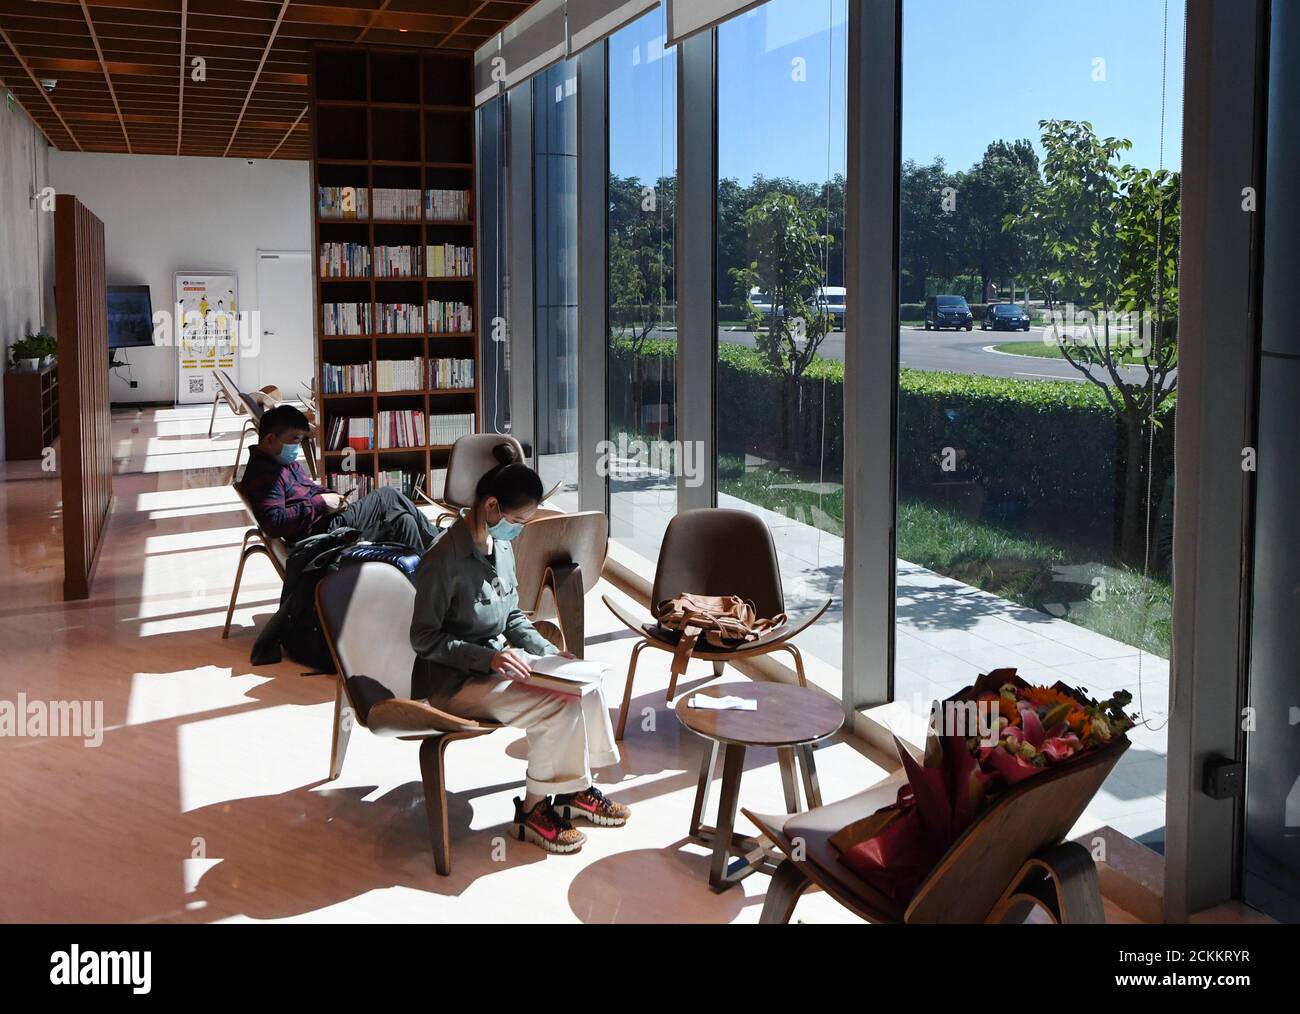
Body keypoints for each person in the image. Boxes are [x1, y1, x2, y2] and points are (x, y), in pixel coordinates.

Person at [410, 443, 628, 855]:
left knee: (584, 687)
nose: (520, 530)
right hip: (455, 682)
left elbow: (512, 616)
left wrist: (549, 653)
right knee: (557, 706)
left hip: (499, 666)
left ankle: (574, 791)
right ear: (491, 506)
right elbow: (423, 638)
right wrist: (488, 657)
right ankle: (530, 813)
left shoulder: (502, 547)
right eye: (518, 521)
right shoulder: (443, 560)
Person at [241, 404, 440, 551]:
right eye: (294, 440)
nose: (297, 447)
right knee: (387, 495)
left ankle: (422, 582)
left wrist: (333, 497)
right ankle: (439, 539)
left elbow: (310, 489)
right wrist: (320, 503)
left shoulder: (283, 463)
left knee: (405, 521)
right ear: (270, 439)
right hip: (322, 534)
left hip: (326, 520)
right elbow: (274, 523)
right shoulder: (264, 474)